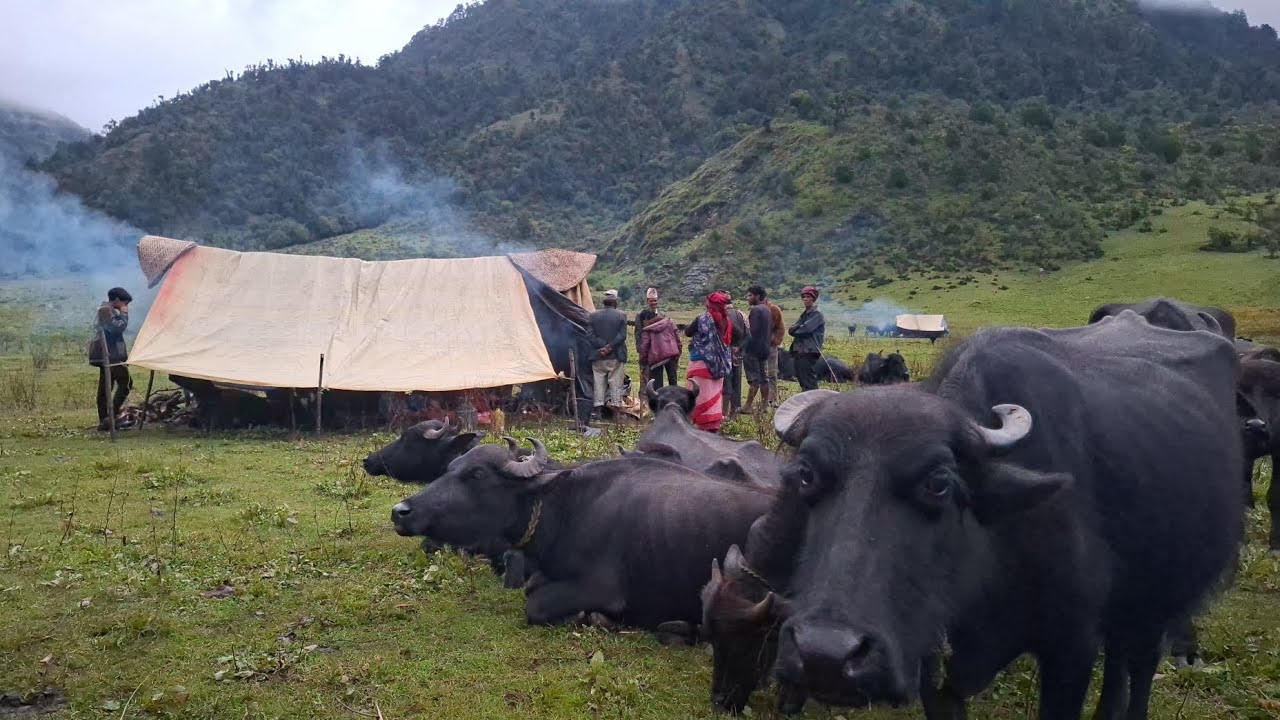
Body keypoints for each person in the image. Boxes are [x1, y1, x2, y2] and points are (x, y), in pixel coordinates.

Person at [683, 291, 734, 432]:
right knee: (714, 394)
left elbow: (688, 332)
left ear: (710, 304)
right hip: (719, 366)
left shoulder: (702, 319)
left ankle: (698, 425)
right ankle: (712, 424)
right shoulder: (727, 320)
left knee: (698, 394)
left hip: (701, 363)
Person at [89, 286, 133, 431]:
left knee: (106, 386)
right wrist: (124, 315)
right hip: (109, 355)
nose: (126, 306)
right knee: (125, 383)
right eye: (124, 303)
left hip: (108, 354)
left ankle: (107, 420)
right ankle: (110, 418)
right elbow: (116, 328)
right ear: (116, 300)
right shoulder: (105, 310)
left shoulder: (108, 309)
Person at [589, 289, 628, 419]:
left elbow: (590, 335)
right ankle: (616, 413)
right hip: (616, 356)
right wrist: (610, 347)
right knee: (616, 383)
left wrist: (602, 347)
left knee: (598, 382)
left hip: (598, 356)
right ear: (615, 302)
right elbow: (622, 336)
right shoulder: (621, 315)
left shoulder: (593, 315)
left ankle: (597, 412)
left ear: (603, 303)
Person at [635, 287, 677, 388]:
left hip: (666, 351)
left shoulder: (663, 315)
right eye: (651, 301)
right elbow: (638, 335)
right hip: (651, 353)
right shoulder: (641, 316)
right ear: (647, 301)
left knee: (672, 379)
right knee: (653, 382)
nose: (654, 303)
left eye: (655, 300)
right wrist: (641, 352)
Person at [741, 285, 773, 414]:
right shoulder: (767, 309)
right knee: (763, 378)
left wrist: (741, 347)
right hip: (765, 348)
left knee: (754, 379)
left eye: (750, 295)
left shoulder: (755, 310)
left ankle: (748, 406)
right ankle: (764, 406)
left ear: (757, 296)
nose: (748, 298)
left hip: (753, 350)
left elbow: (752, 332)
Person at [789, 285, 826, 392]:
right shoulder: (805, 314)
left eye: (808, 297)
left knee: (808, 380)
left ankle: (814, 403)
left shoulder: (816, 314)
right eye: (803, 296)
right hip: (800, 351)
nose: (805, 299)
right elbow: (791, 330)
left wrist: (796, 328)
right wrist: (796, 328)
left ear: (813, 298)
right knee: (802, 379)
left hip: (809, 351)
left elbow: (804, 330)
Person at [638, 311, 682, 390]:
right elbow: (678, 339)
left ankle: (660, 400)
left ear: (645, 320)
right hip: (672, 355)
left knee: (657, 386)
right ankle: (675, 398)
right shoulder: (670, 323)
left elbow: (644, 347)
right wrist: (678, 353)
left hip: (656, 359)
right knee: (673, 382)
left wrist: (643, 361)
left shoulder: (647, 330)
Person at [723, 292, 748, 418]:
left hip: (725, 352)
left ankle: (724, 413)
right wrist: (739, 348)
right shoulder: (742, 314)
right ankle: (735, 413)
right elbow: (748, 335)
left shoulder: (722, 315)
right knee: (737, 382)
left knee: (726, 382)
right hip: (738, 352)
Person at [765, 292, 785, 408]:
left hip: (771, 346)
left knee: (772, 373)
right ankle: (764, 399)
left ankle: (772, 399)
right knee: (762, 373)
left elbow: (781, 328)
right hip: (761, 346)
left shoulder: (774, 310)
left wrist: (775, 341)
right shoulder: (758, 310)